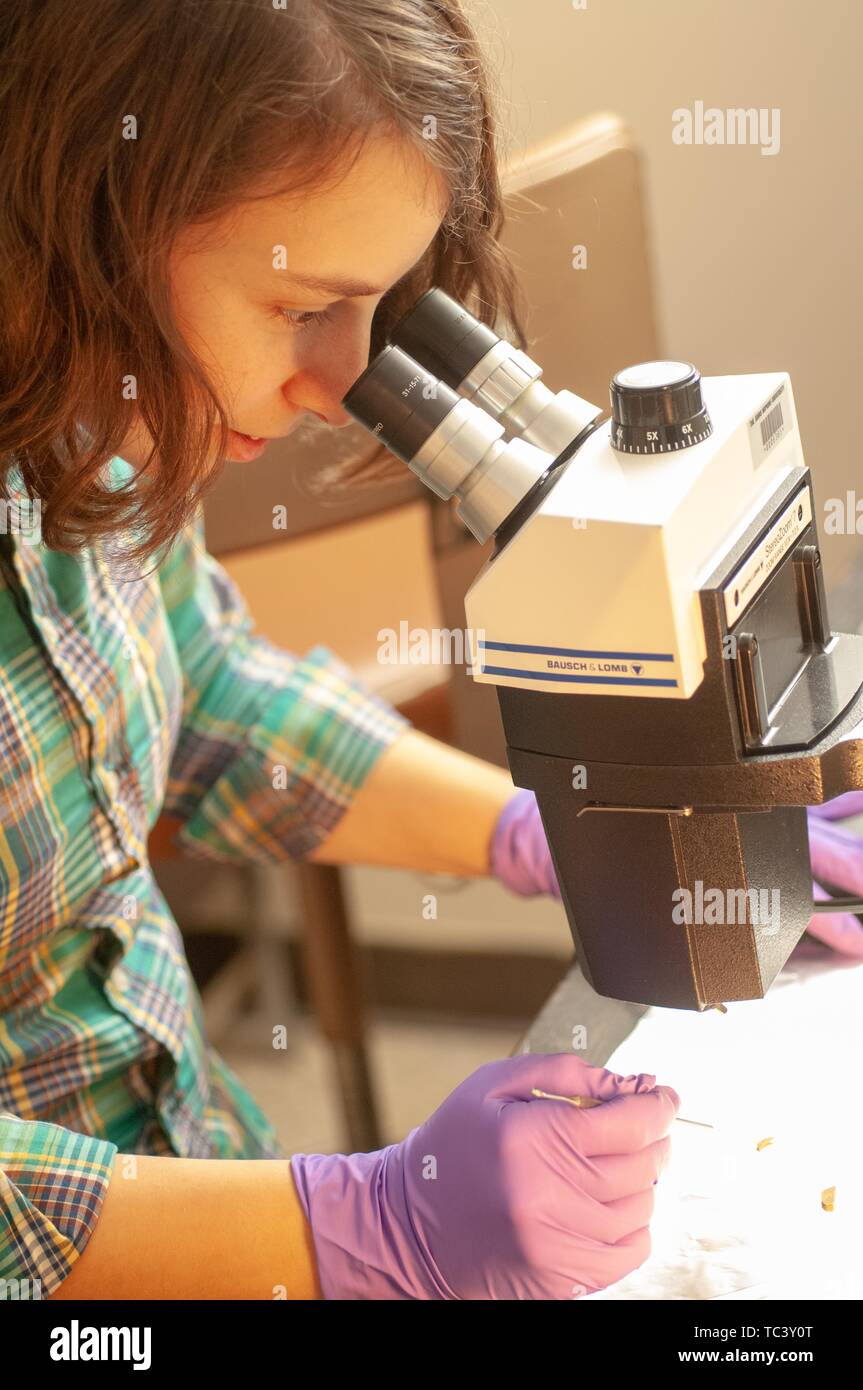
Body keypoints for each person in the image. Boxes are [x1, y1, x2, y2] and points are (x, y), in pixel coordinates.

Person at [0, 0, 855, 1303]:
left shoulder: (87, 429)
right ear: (84, 220)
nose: (349, 381)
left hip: (200, 1171)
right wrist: (358, 1224)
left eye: (381, 309)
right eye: (299, 306)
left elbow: (211, 692)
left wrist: (546, 825)